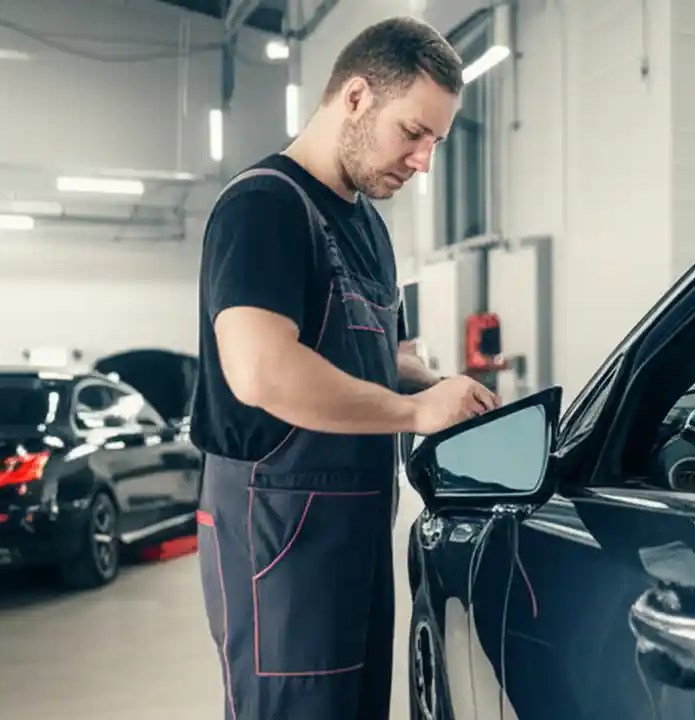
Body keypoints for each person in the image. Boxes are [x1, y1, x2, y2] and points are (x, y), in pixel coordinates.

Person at [188, 16, 500, 720]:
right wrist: (416, 413)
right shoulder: (264, 206)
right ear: (356, 97)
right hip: (278, 535)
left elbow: (385, 355)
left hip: (353, 529)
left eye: (436, 142)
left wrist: (441, 389)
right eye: (413, 133)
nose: (423, 161)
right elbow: (261, 371)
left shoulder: (367, 225)